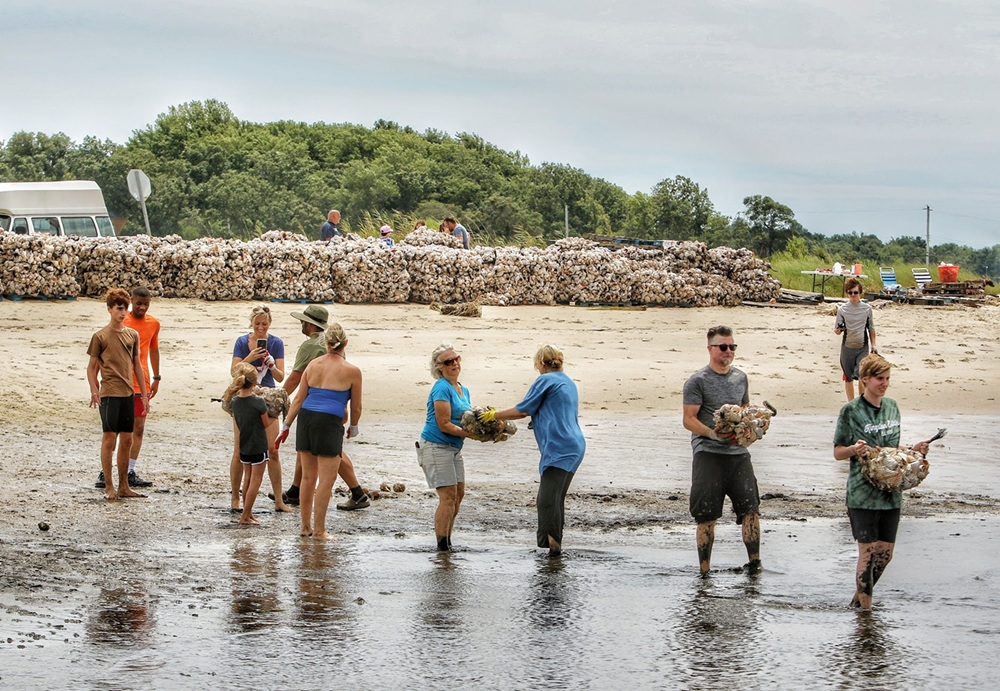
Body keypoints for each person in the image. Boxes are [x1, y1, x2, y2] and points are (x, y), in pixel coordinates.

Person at [834, 354, 930, 611]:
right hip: (862, 494)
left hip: (891, 492)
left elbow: (890, 448)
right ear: (865, 380)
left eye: (887, 378)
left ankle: (857, 602)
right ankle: (867, 614)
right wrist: (854, 449)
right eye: (879, 378)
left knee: (885, 555)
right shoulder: (851, 411)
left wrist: (913, 449)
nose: (884, 383)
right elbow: (838, 451)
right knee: (867, 553)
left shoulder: (892, 407)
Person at [479, 345, 586, 556]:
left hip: (560, 446)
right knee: (555, 499)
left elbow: (523, 411)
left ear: (539, 363)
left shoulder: (545, 380)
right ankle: (554, 552)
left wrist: (494, 415)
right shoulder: (568, 381)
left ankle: (554, 555)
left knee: (546, 501)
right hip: (576, 445)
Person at [682, 325, 761, 576]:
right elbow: (688, 419)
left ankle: (755, 566)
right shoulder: (697, 381)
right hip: (708, 454)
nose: (729, 351)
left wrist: (750, 433)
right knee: (706, 515)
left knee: (751, 510)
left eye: (732, 347)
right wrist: (713, 433)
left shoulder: (740, 378)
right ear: (710, 349)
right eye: (723, 347)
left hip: (739, 455)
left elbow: (746, 411)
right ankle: (704, 572)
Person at [278, 323, 363, 539]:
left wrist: (286, 426)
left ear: (326, 343)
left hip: (306, 419)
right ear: (345, 343)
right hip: (329, 422)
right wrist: (353, 427)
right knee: (326, 480)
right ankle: (320, 530)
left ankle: (305, 527)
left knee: (307, 478)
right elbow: (356, 407)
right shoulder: (352, 371)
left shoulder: (313, 365)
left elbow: (298, 399)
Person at [86, 288, 149, 501]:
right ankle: (109, 486)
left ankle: (124, 486)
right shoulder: (100, 336)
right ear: (110, 309)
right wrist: (95, 391)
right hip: (110, 394)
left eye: (125, 309)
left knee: (127, 440)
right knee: (109, 439)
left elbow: (137, 366)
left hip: (129, 394)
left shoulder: (132, 334)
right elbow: (91, 367)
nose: (123, 313)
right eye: (119, 309)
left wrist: (144, 394)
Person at [96, 286, 160, 490]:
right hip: (118, 384)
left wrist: (157, 377)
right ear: (131, 301)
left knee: (137, 428)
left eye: (146, 304)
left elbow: (154, 350)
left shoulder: (153, 324)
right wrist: (97, 384)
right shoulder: (121, 322)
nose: (141, 307)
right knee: (113, 432)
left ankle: (130, 471)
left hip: (142, 383)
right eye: (138, 303)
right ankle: (106, 472)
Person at [230, 305, 290, 513]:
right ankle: (235, 498)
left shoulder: (276, 343)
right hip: (245, 395)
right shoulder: (241, 342)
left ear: (270, 324)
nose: (260, 328)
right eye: (257, 324)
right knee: (239, 450)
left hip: (268, 396)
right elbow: (234, 372)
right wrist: (250, 357)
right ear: (252, 323)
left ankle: (279, 501)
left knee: (272, 450)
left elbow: (281, 377)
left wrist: (272, 366)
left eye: (264, 324)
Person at [417, 343, 473, 551]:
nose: (455, 364)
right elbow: (444, 423)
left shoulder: (463, 389)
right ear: (439, 367)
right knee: (448, 496)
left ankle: (447, 541)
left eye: (457, 359)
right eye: (448, 362)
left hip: (454, 448)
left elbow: (466, 419)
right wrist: (471, 434)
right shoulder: (441, 387)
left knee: (459, 494)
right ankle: (442, 548)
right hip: (436, 446)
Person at [224, 364, 270, 525]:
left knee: (247, 478)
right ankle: (245, 515)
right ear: (254, 382)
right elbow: (266, 423)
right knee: (255, 480)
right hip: (258, 444)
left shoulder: (235, 401)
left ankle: (247, 513)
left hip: (244, 444)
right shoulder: (258, 402)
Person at [835, 276, 878, 402]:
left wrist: (874, 345)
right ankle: (851, 404)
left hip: (862, 347)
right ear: (847, 293)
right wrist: (838, 330)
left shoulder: (867, 309)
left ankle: (861, 403)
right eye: (850, 292)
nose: (853, 295)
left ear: (860, 292)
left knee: (862, 375)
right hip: (847, 348)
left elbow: (871, 328)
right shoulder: (842, 310)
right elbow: (837, 329)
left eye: (855, 292)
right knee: (848, 377)